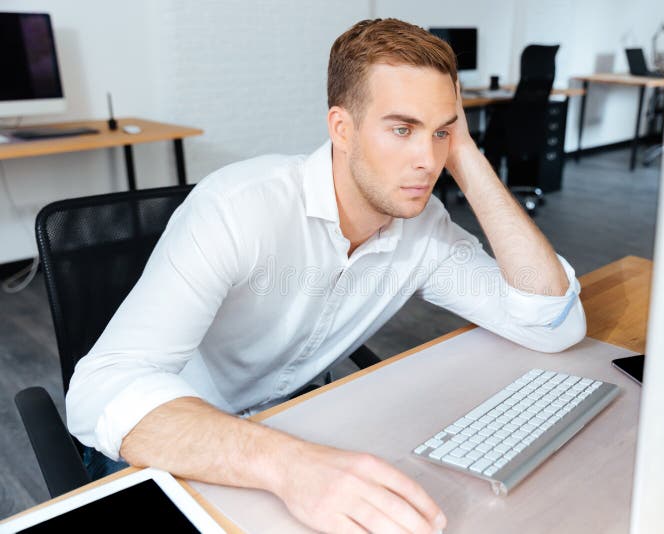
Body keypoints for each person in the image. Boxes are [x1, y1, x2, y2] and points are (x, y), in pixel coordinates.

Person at [67, 18, 586, 534]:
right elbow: (96, 395)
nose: (427, 160)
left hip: (293, 426)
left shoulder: (424, 232)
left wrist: (467, 156)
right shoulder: (238, 210)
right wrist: (289, 465)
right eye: (402, 129)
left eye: (441, 132)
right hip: (172, 441)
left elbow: (550, 323)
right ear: (342, 128)